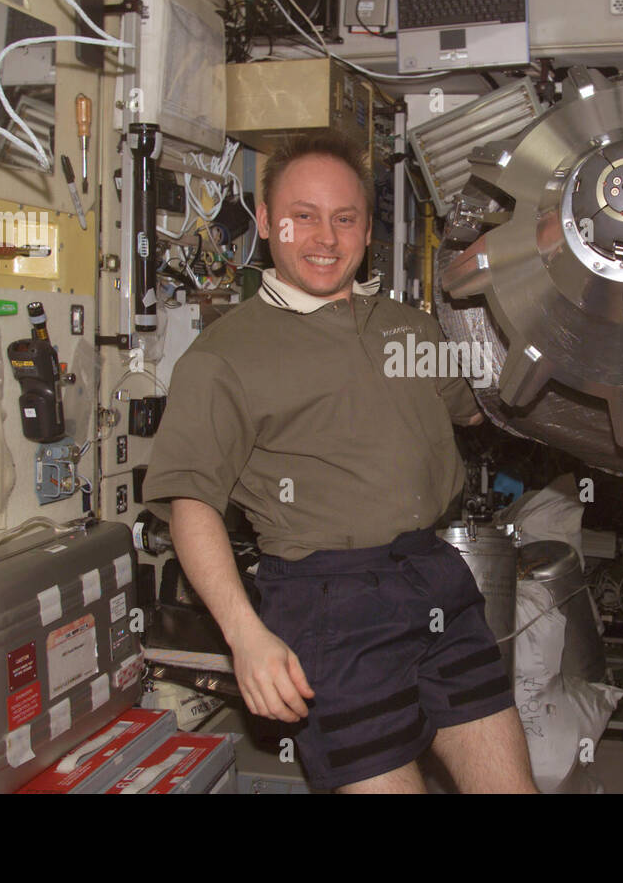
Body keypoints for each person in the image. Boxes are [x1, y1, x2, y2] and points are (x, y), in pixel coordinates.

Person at [142, 131, 537, 794]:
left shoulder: (409, 328)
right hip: (328, 605)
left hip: (437, 576)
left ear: (367, 229)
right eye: (303, 216)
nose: (325, 237)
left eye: (344, 218)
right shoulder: (223, 357)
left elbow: (477, 411)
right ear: (267, 222)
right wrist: (247, 637)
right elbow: (192, 505)